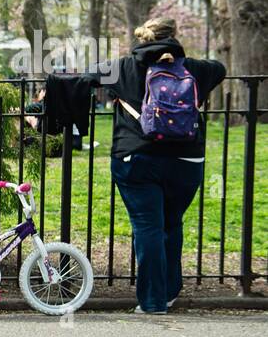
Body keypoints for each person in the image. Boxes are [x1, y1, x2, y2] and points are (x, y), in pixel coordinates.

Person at [45, 16, 225, 314]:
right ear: (174, 36)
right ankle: (168, 292)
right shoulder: (195, 69)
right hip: (186, 160)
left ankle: (153, 302)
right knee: (172, 223)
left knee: (148, 226)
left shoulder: (121, 67)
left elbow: (77, 81)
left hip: (136, 158)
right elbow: (220, 68)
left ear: (141, 39)